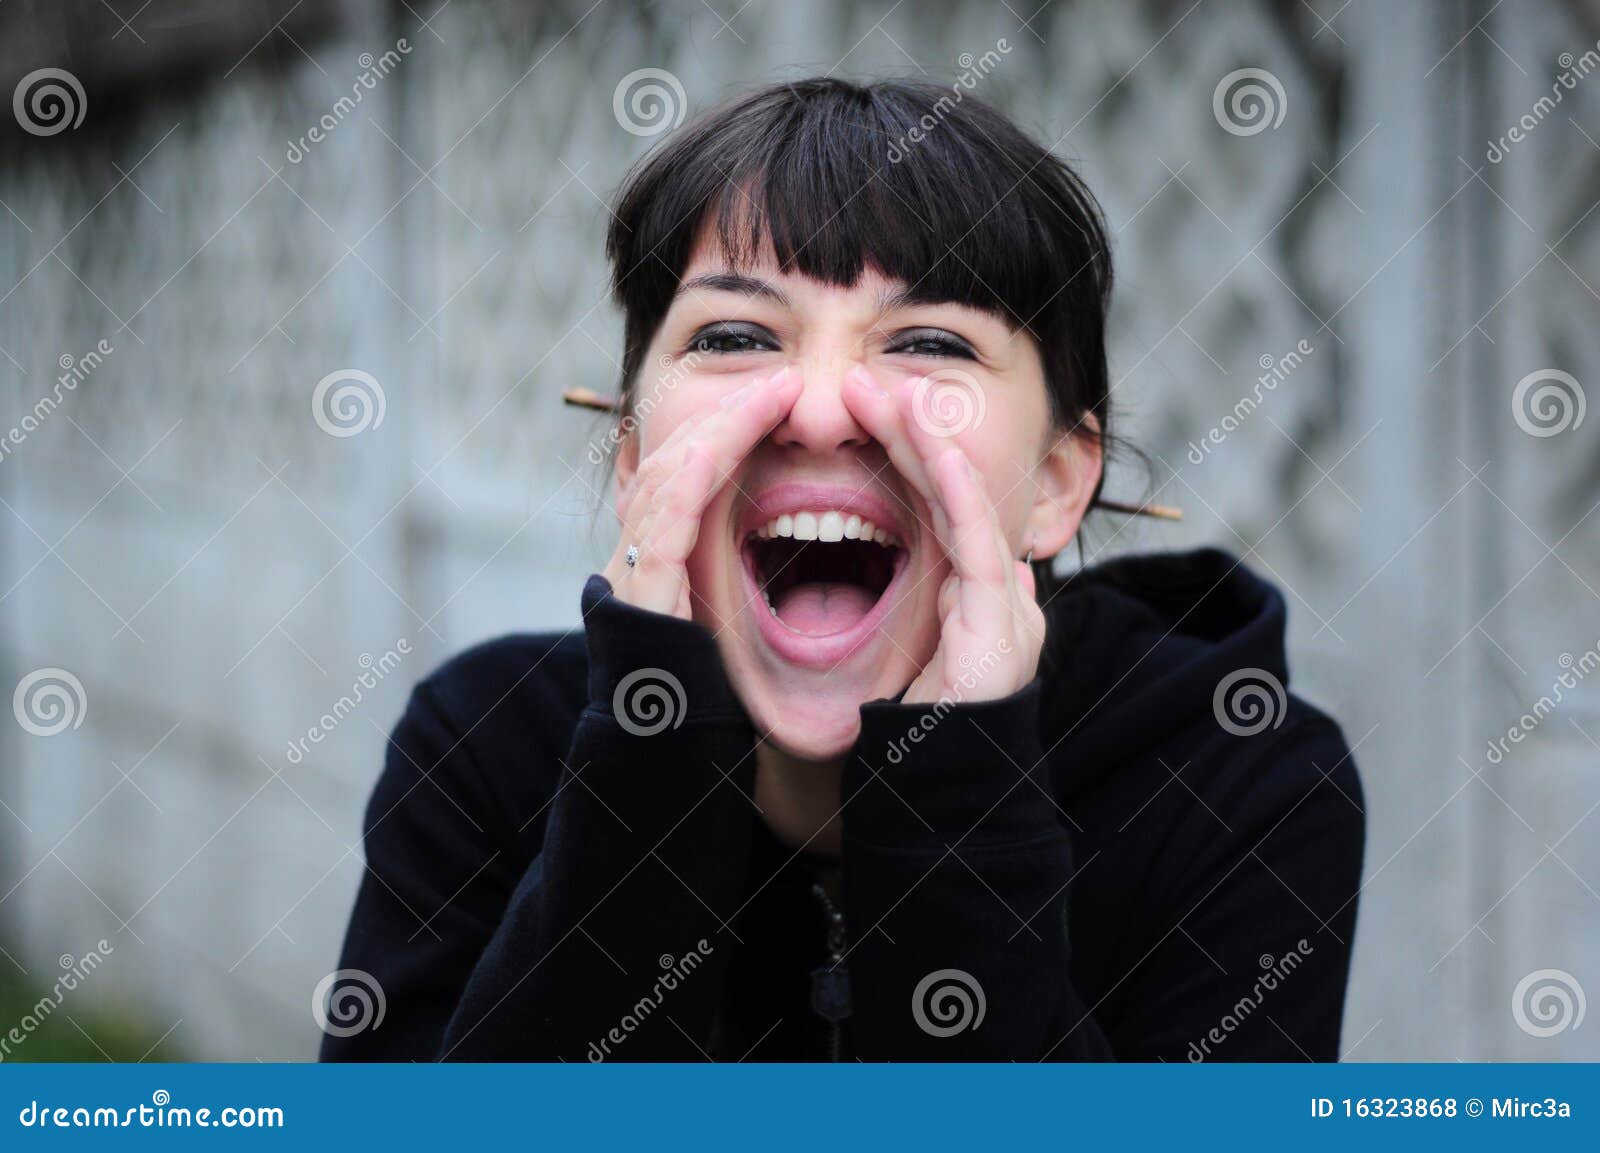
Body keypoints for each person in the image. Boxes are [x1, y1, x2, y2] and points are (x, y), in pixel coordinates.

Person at [321, 77, 1365, 1062]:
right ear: (636, 456)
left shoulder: (1241, 785)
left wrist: (955, 799)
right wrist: (645, 777)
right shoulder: (481, 751)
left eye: (930, 343)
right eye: (734, 334)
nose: (819, 409)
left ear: (1053, 483)